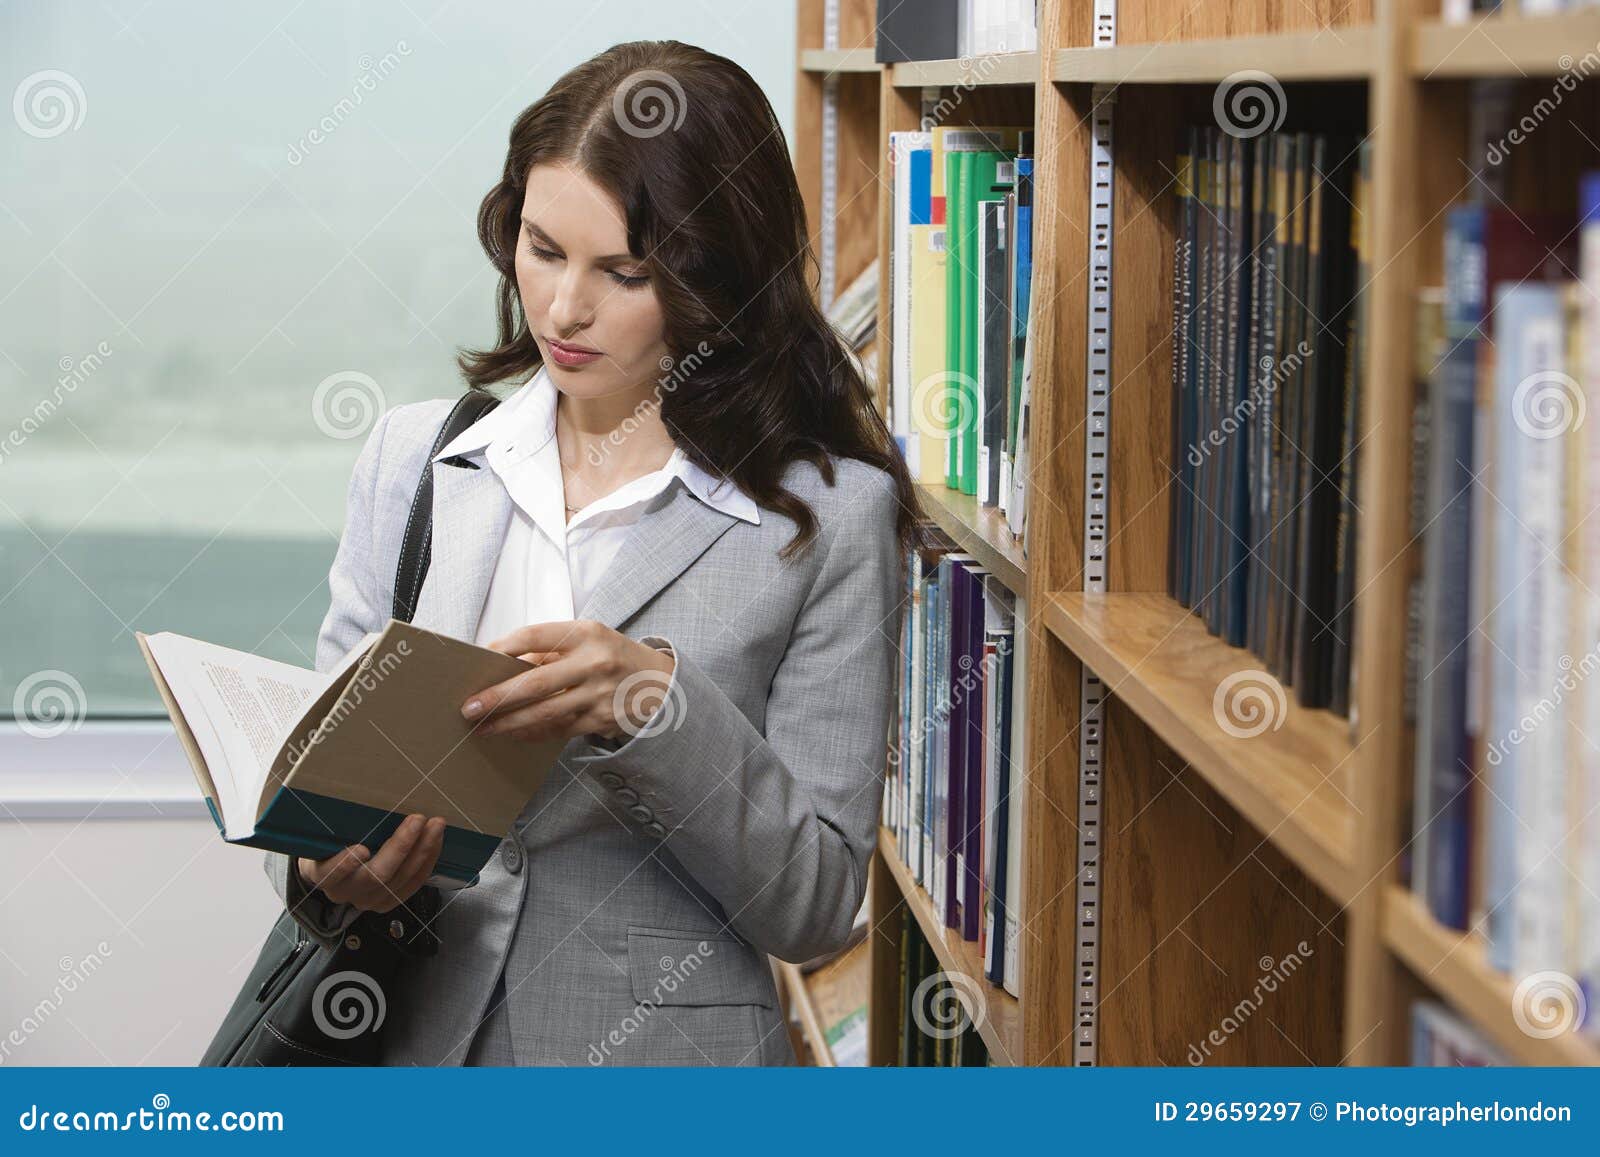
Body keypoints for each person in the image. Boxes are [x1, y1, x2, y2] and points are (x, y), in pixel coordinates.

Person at [260, 38, 923, 1066]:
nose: (565, 309)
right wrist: (325, 865)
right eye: (540, 247)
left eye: (623, 271)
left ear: (718, 277)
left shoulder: (831, 519)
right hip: (404, 1042)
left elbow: (818, 904)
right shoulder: (419, 459)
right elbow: (318, 780)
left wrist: (654, 708)